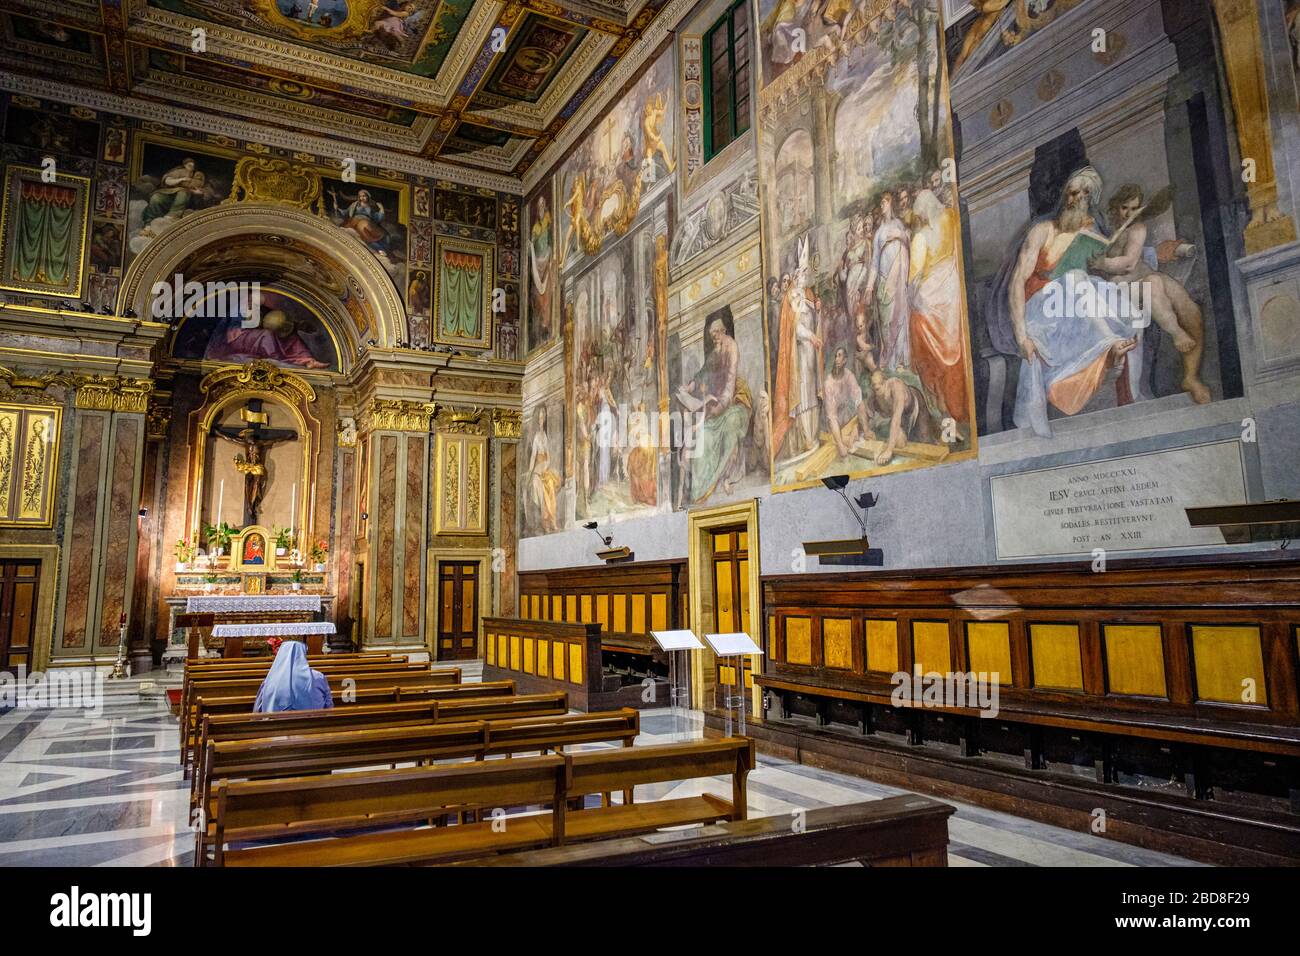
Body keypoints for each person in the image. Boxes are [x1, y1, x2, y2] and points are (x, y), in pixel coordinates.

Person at [253, 640, 333, 713]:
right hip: (313, 726)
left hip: (276, 726)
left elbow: (258, 710)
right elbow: (329, 706)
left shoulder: (270, 680)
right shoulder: (318, 677)